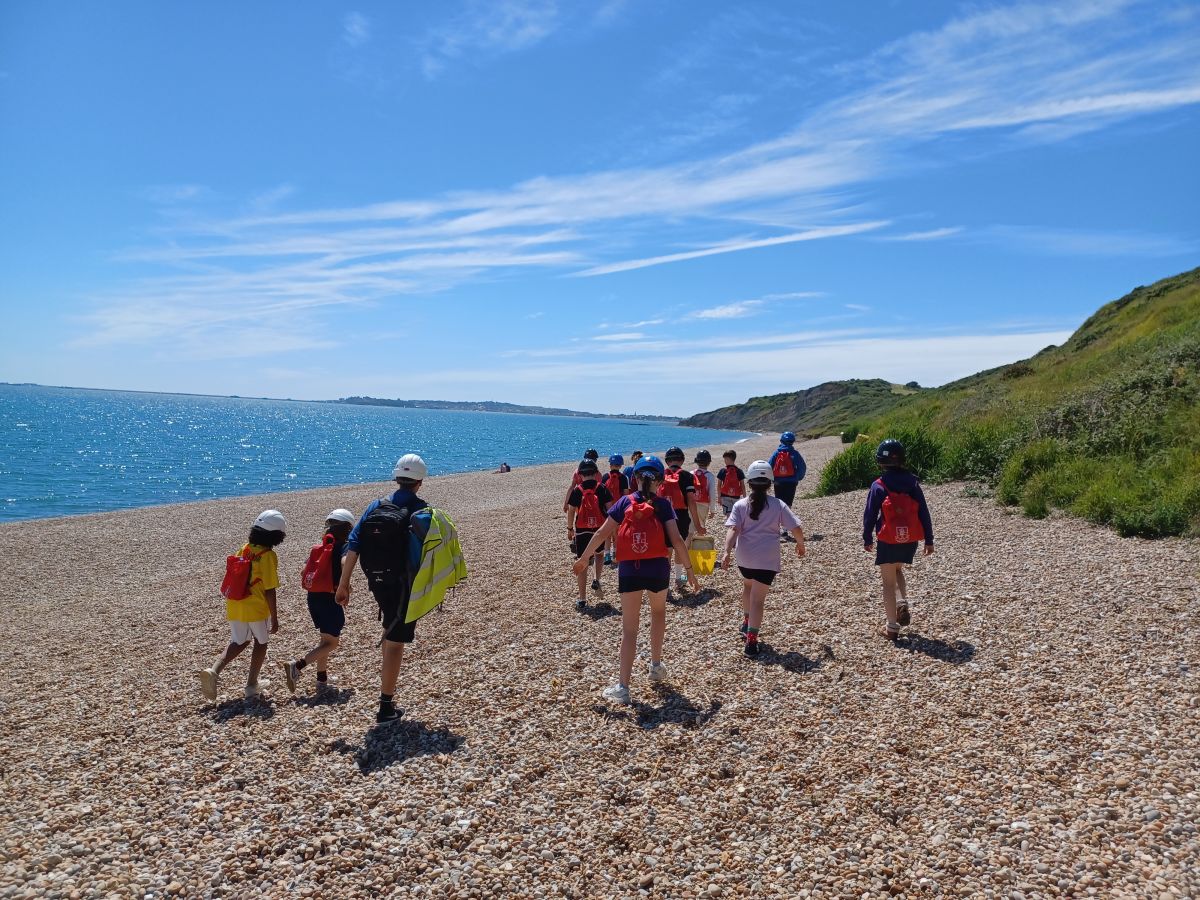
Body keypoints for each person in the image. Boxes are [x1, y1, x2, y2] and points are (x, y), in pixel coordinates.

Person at [573, 456, 698, 705]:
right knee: (658, 613)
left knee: (629, 630)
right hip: (657, 568)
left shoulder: (623, 503)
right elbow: (676, 540)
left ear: (635, 478)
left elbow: (601, 533)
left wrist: (584, 558)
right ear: (661, 481)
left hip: (629, 569)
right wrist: (689, 570)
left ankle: (623, 687)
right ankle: (655, 665)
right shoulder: (663, 505)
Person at [335, 453, 430, 725]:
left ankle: (386, 695)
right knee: (395, 643)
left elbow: (354, 546)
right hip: (405, 584)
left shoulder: (376, 505)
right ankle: (385, 707)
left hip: (377, 581)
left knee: (390, 628)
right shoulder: (422, 510)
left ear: (396, 478)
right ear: (419, 482)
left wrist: (344, 584)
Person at [198, 510, 286, 701]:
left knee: (239, 641)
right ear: (276, 535)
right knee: (261, 643)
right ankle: (251, 685)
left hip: (235, 602)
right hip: (256, 607)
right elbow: (270, 589)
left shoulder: (244, 548)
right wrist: (275, 618)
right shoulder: (268, 555)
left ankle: (213, 671)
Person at [721, 462, 805, 655]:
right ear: (770, 483)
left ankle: (746, 622)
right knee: (758, 600)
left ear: (749, 482)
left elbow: (733, 529)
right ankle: (751, 641)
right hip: (767, 559)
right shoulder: (778, 505)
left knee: (747, 587)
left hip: (745, 558)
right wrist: (800, 545)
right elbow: (796, 528)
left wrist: (726, 551)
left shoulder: (740, 504)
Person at [862, 439, 934, 640]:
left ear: (880, 461)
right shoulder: (913, 483)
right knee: (898, 569)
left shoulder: (879, 485)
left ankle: (891, 628)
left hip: (888, 537)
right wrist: (929, 539)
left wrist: (867, 537)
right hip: (909, 538)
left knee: (887, 581)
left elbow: (870, 514)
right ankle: (901, 602)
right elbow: (924, 512)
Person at [282, 508, 355, 695]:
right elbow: (345, 562)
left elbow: (303, 572)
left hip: (313, 598)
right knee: (332, 643)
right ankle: (297, 666)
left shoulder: (320, 547)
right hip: (330, 598)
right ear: (348, 528)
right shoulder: (343, 546)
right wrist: (344, 586)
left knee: (325, 640)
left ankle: (322, 681)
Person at [566, 458, 613, 608]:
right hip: (599, 529)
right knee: (599, 554)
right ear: (596, 473)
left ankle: (582, 599)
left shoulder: (577, 490)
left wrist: (570, 529)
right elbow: (610, 508)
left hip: (582, 530)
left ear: (580, 475)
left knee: (582, 561)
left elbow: (571, 510)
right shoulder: (602, 488)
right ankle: (597, 579)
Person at [659, 447, 705, 587]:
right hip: (681, 516)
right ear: (682, 460)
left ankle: (664, 582)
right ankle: (679, 578)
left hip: (663, 516)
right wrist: (698, 524)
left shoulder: (660, 475)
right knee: (680, 547)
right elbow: (691, 501)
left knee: (666, 550)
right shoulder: (687, 476)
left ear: (667, 461)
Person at [768, 432, 807, 539]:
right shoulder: (795, 453)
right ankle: (785, 530)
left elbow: (768, 465)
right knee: (788, 505)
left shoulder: (776, 453)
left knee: (779, 504)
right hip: (791, 482)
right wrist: (797, 478)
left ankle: (776, 529)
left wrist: (771, 479)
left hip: (778, 482)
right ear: (792, 441)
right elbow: (802, 468)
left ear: (781, 441)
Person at [601, 454, 629, 564]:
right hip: (619, 508)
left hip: (606, 509)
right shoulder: (624, 478)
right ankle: (616, 553)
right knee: (617, 533)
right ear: (620, 465)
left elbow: (601, 495)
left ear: (610, 464)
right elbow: (626, 495)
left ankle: (607, 555)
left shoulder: (605, 477)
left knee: (607, 532)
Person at [561, 448, 603, 513]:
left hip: (579, 497)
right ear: (595, 460)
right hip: (593, 500)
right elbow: (600, 489)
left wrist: (566, 503)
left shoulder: (577, 471)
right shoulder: (597, 473)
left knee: (580, 519)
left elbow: (571, 487)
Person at [691, 450, 717, 529]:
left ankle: (690, 540)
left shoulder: (690, 473)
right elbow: (712, 495)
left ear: (696, 461)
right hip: (704, 504)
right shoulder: (710, 476)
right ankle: (700, 539)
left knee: (691, 526)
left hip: (691, 503)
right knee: (701, 525)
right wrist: (712, 510)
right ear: (709, 463)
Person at [717, 450, 746, 517]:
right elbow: (742, 485)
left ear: (728, 459)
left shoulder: (723, 470)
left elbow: (719, 485)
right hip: (736, 496)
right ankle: (735, 524)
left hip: (725, 495)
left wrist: (719, 497)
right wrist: (744, 498)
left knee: (728, 513)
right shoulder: (739, 471)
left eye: (725, 459)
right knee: (735, 512)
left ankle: (731, 523)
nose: (724, 461)